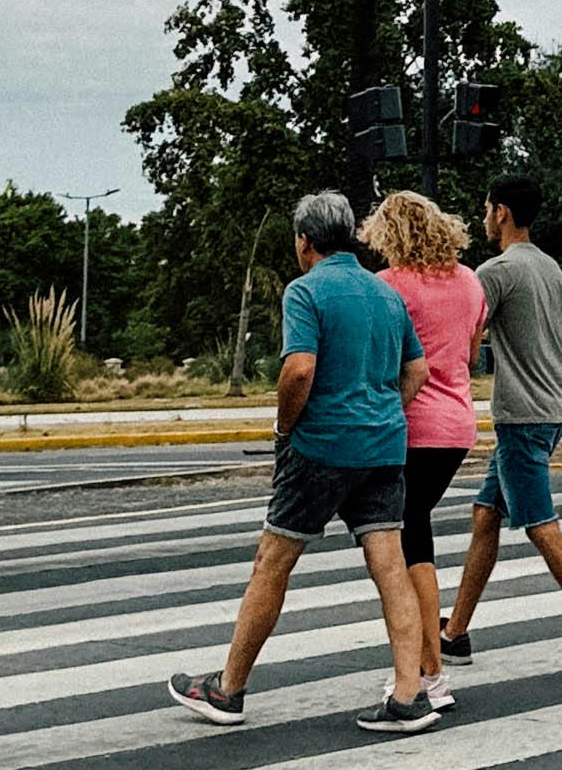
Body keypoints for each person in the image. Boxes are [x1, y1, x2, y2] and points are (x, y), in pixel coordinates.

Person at [168, 189, 438, 737]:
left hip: (320, 447)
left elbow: (298, 372)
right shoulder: (385, 294)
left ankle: (229, 687)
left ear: (304, 242)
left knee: (273, 560)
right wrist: (383, 411)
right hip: (383, 446)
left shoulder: (306, 291)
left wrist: (286, 425)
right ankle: (409, 693)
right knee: (390, 566)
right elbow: (418, 371)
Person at [439, 171, 562, 685]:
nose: (485, 216)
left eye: (487, 208)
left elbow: (464, 341)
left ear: (501, 212)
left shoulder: (497, 272)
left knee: (540, 525)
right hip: (549, 413)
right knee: (486, 515)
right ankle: (455, 633)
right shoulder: (553, 271)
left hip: (520, 418)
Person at [362, 186, 486, 716]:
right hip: (457, 424)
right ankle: (428, 668)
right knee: (419, 534)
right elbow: (473, 351)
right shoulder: (471, 281)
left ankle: (429, 671)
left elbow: (380, 357)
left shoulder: (387, 286)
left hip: (410, 425)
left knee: (409, 543)